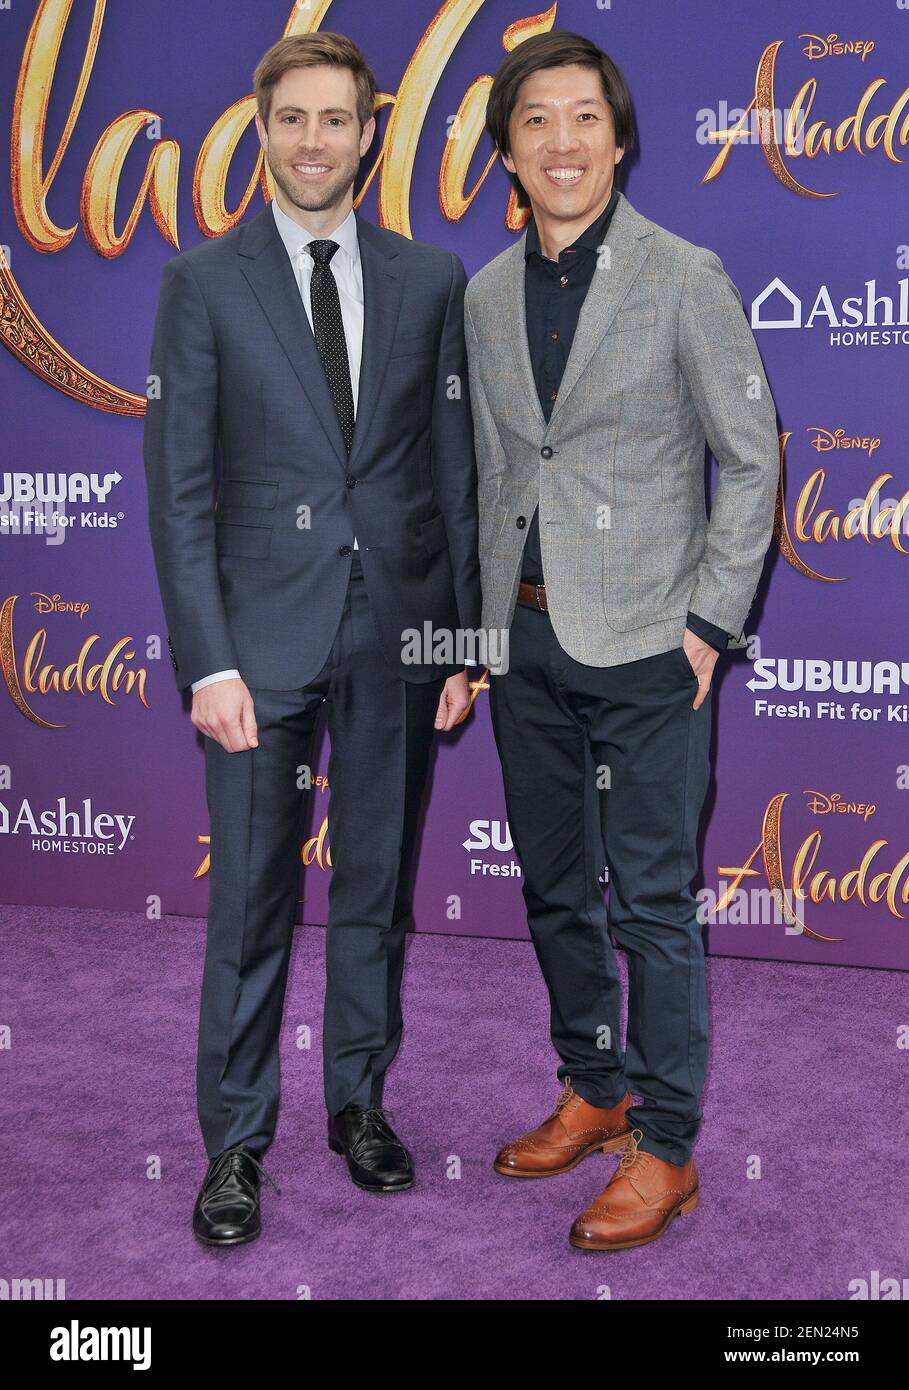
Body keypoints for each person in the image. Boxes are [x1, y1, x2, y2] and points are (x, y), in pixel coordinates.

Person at [143, 32, 480, 1246]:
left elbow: (456, 479)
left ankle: (359, 1102)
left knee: (377, 886)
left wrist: (461, 644)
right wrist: (208, 659)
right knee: (248, 900)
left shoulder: (429, 279)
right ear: (261, 128)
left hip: (396, 634)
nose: (313, 142)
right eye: (292, 120)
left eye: (336, 120)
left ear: (369, 130)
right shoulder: (203, 284)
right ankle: (235, 1140)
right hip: (256, 652)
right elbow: (179, 492)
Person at [464, 30, 778, 1251]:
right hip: (527, 648)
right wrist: (478, 637)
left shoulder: (682, 273)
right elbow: (497, 472)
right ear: (507, 148)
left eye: (583, 117)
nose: (562, 142)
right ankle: (594, 1088)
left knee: (652, 901)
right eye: (536, 121)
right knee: (553, 890)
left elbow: (753, 458)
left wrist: (711, 622)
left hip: (653, 644)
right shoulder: (486, 293)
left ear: (620, 135)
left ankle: (670, 1144)